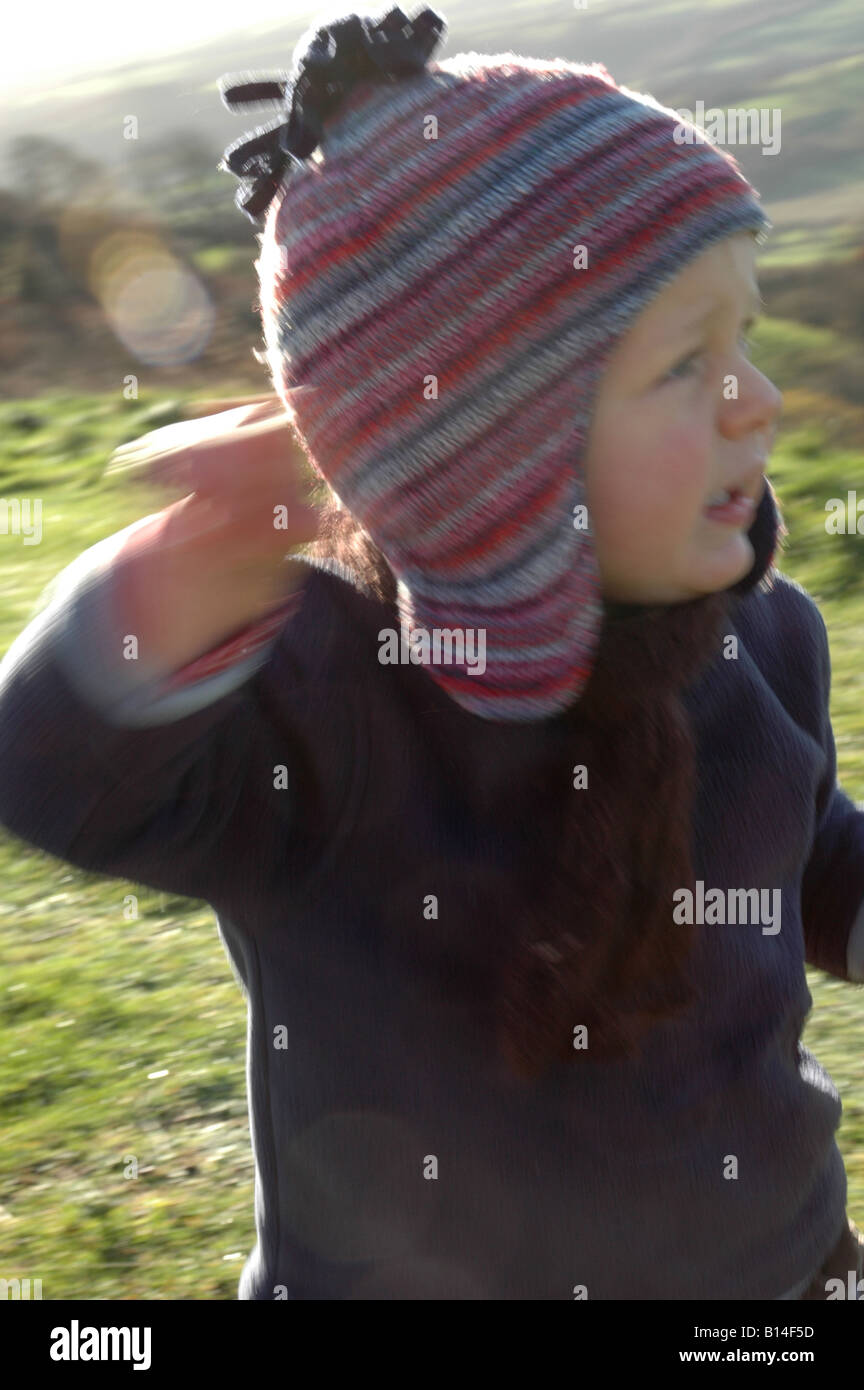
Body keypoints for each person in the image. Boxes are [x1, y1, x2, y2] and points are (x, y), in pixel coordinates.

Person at [1, 6, 863, 1300]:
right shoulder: (331, 692)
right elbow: (57, 774)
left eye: (743, 339)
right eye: (688, 362)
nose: (760, 398)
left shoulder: (765, 635)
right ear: (489, 451)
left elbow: (802, 849)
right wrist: (184, 579)